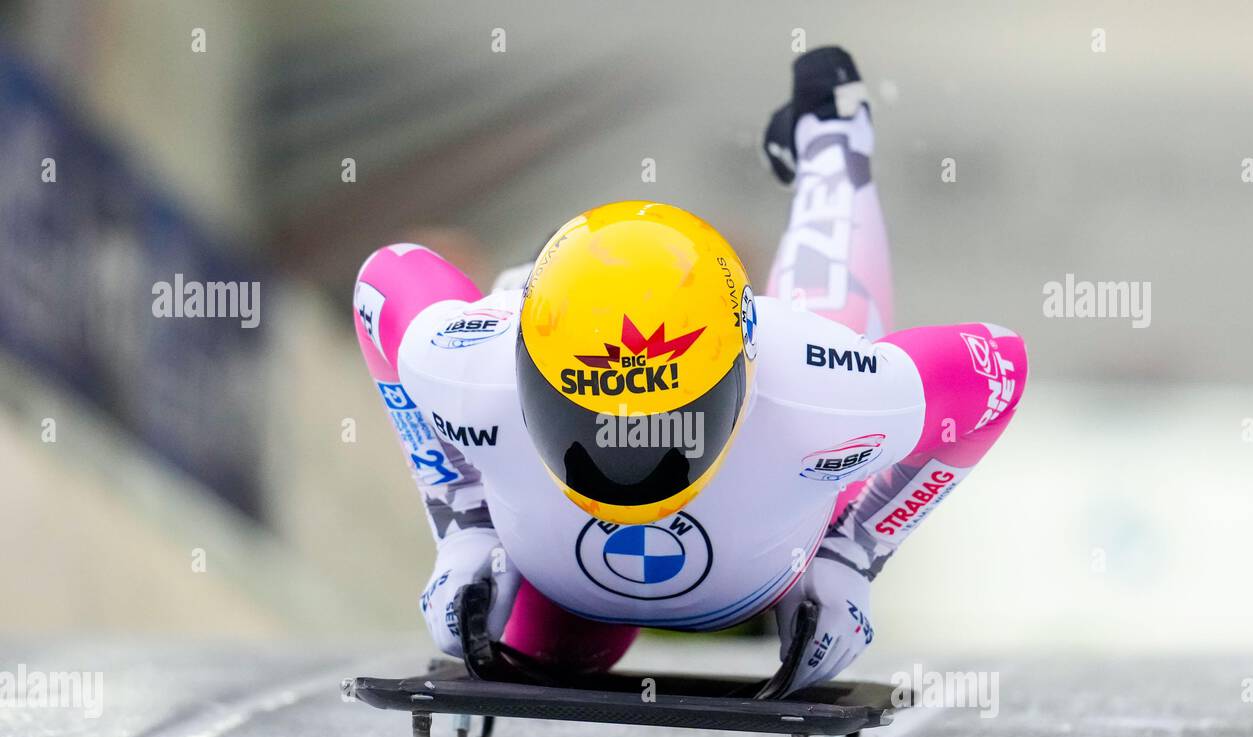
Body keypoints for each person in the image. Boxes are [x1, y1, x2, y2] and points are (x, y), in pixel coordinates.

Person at [351, 47, 1028, 694]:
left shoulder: (818, 389)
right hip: (576, 587)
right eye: (588, 419)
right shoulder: (470, 364)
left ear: (743, 372)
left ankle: (831, 136)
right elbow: (381, 282)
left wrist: (850, 551)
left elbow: (999, 369)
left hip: (670, 562)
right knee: (551, 650)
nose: (628, 462)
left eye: (667, 423)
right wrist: (467, 526)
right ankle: (830, 138)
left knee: (831, 330)